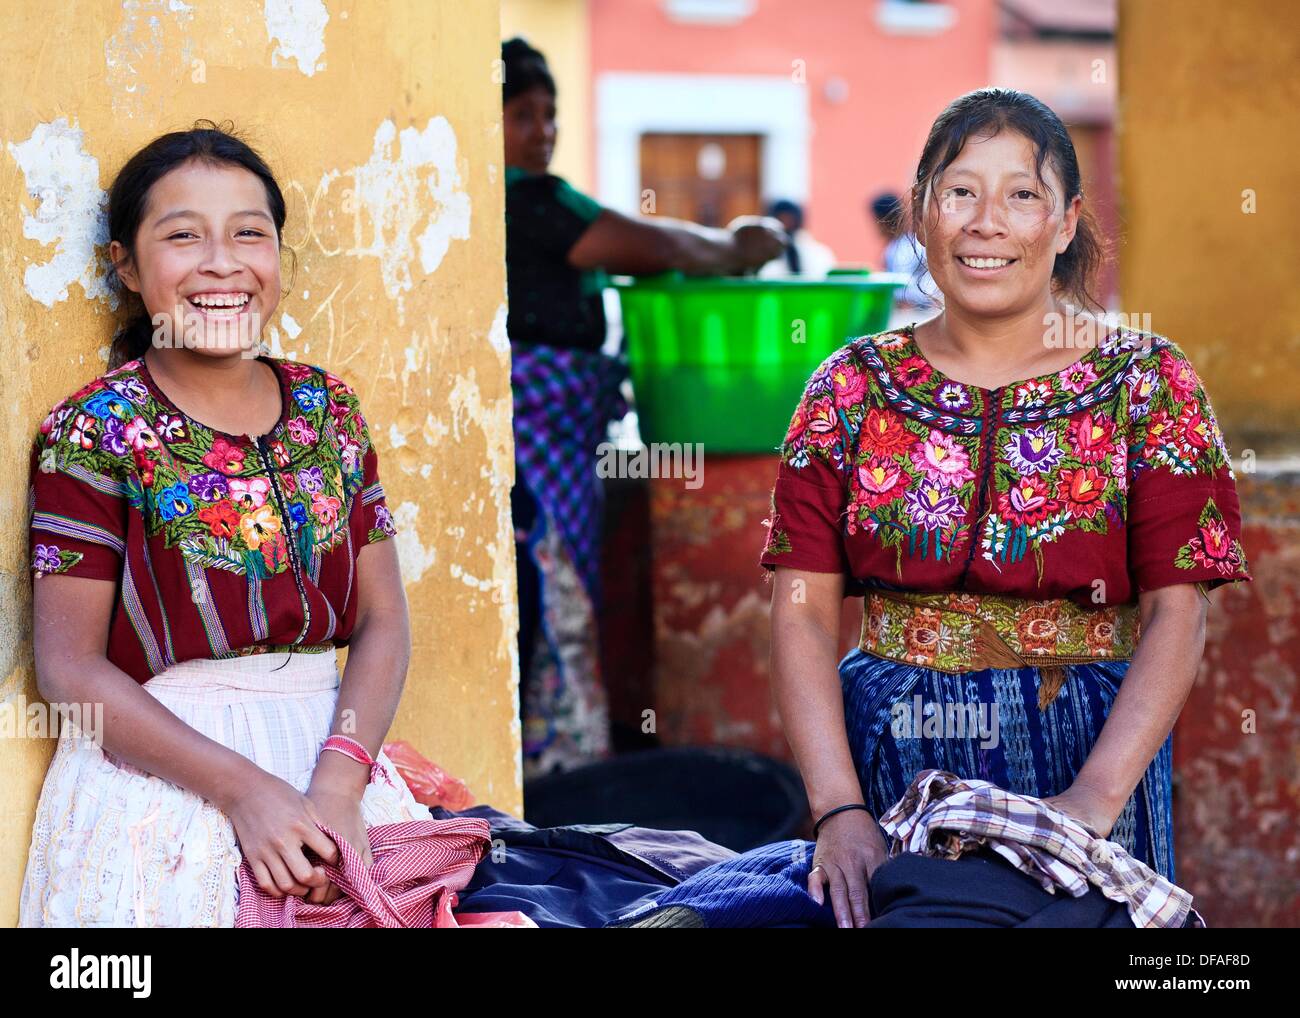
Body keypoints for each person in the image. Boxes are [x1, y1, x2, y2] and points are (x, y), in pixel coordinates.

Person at [759, 88, 1250, 928]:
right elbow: (802, 612)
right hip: (892, 757)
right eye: (960, 192)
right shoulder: (849, 387)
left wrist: (1091, 803)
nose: (987, 222)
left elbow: (1179, 614)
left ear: (1064, 224)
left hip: (1091, 753)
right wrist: (839, 810)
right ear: (921, 215)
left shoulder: (1147, 384)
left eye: (1022, 194)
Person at [20, 122, 437, 926]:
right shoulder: (97, 429)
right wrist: (245, 793)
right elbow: (69, 670)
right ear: (128, 268)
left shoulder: (330, 409)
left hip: (335, 770)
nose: (222, 262)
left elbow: (384, 619)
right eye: (183, 237)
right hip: (167, 781)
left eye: (250, 233)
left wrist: (341, 786)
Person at [501, 37, 786, 775]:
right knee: (549, 580)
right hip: (534, 440)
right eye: (521, 114)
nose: (543, 132)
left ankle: (546, 754)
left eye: (550, 114)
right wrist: (732, 249)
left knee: (543, 587)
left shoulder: (501, 201)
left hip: (548, 436)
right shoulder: (530, 202)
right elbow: (648, 243)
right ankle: (557, 764)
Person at [871, 191, 937, 309]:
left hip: (918, 310)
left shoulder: (902, 248)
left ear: (883, 221)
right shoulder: (901, 244)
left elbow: (902, 290)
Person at [757, 199, 837, 279]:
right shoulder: (761, 256)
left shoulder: (818, 253)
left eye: (790, 220)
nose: (785, 225)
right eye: (781, 220)